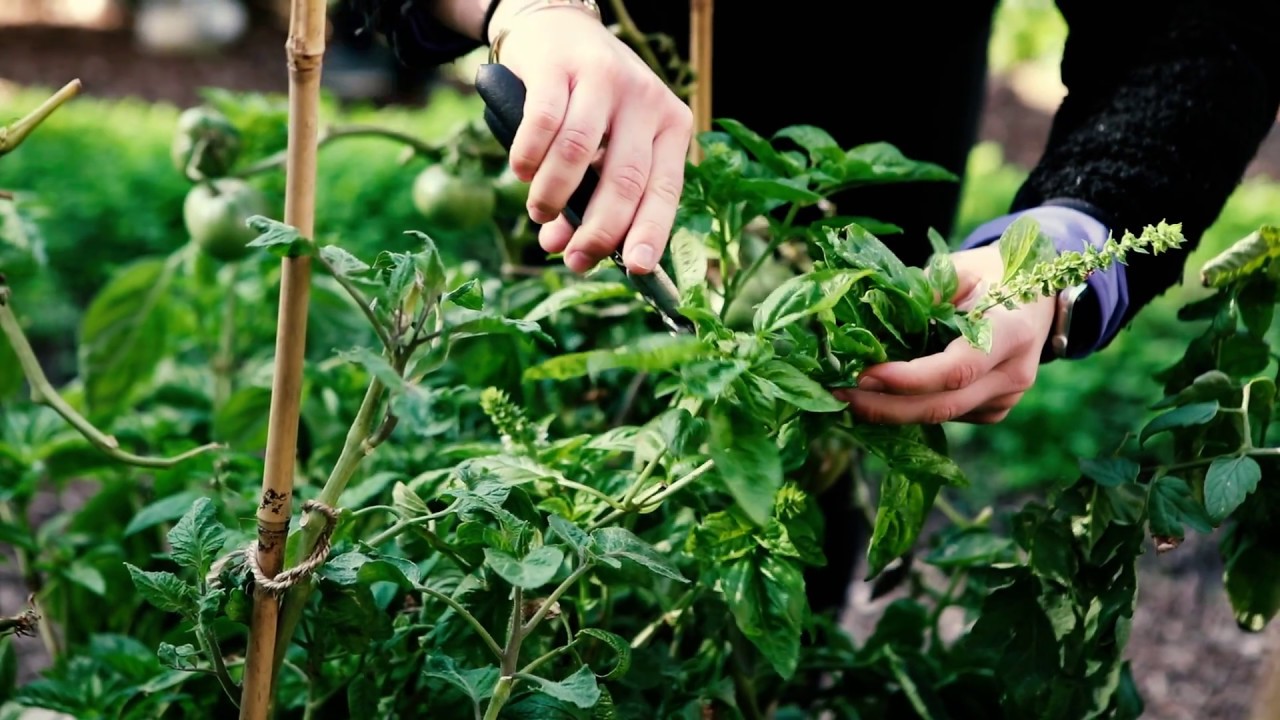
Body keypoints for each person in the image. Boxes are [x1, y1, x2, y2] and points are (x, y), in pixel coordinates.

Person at [352, 0, 1280, 610]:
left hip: (864, 225)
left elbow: (1202, 26)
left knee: (784, 550)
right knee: (536, 545)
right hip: (565, 200)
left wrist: (1067, 250)